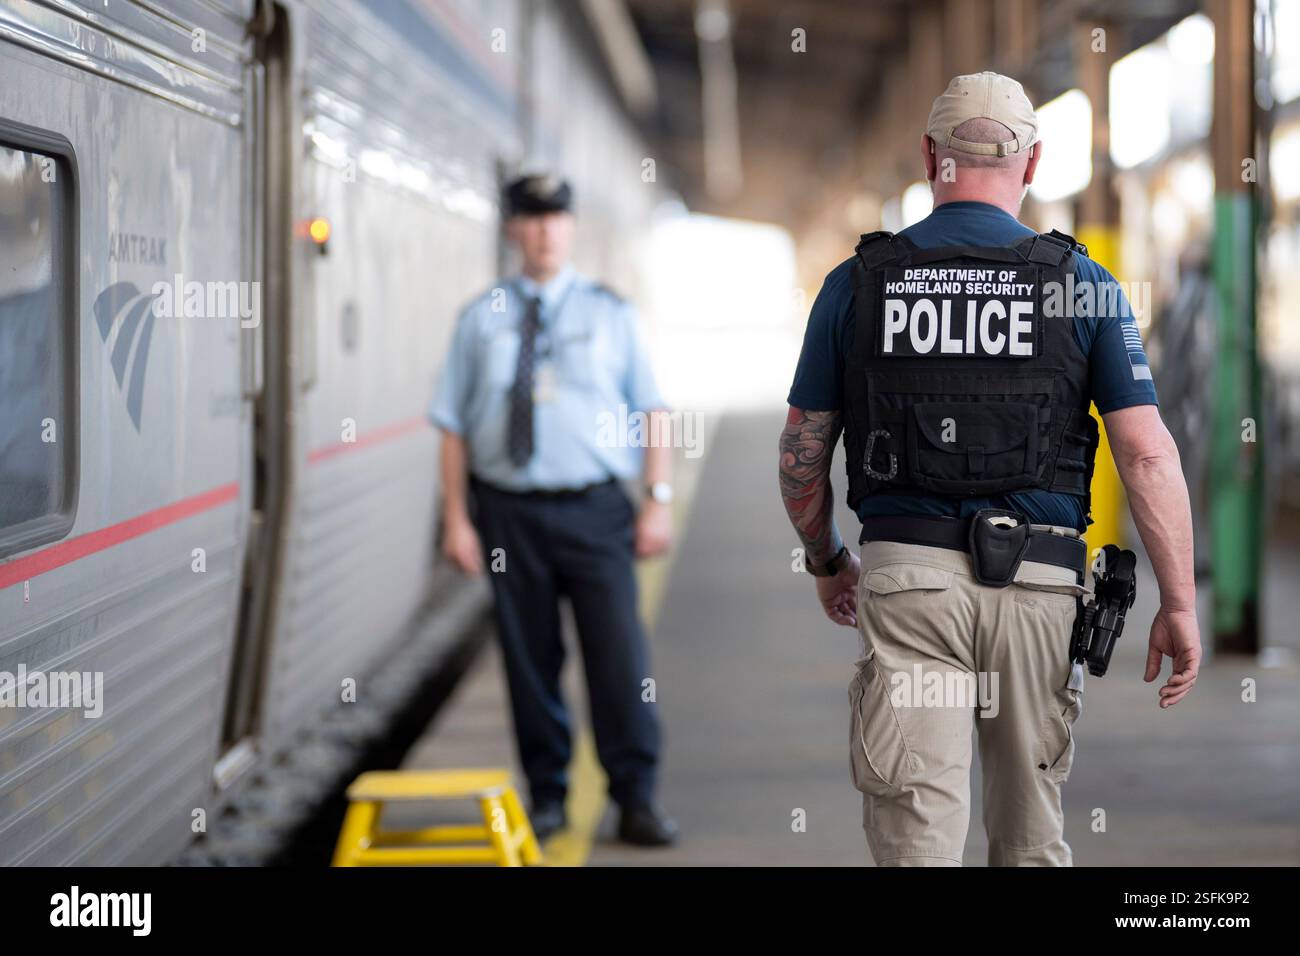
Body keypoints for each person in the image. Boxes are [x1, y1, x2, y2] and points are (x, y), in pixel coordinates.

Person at [777, 72, 1201, 866]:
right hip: (1039, 589)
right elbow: (1147, 453)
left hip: (910, 589)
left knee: (917, 838)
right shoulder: (1084, 286)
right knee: (1031, 836)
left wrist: (829, 559)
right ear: (1033, 163)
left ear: (930, 155)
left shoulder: (857, 284)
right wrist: (1177, 601)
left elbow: (801, 451)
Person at [429, 173, 678, 846]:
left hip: (597, 510)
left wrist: (656, 501)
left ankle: (635, 796)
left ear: (570, 228)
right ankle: (548, 796)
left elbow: (653, 412)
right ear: (513, 229)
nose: (544, 231)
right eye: (531, 218)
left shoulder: (610, 312)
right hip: (508, 513)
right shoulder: (479, 317)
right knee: (528, 659)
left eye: (555, 218)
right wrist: (456, 519)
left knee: (618, 657)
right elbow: (451, 424)